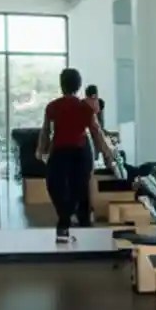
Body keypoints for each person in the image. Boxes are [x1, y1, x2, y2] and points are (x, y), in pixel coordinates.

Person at [36, 68, 116, 242]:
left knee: (55, 186)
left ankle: (65, 218)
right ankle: (72, 218)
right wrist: (108, 155)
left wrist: (40, 150)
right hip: (80, 152)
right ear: (79, 86)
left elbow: (45, 131)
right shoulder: (85, 107)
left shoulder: (53, 106)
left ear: (61, 84)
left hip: (60, 152)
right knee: (78, 188)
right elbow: (96, 132)